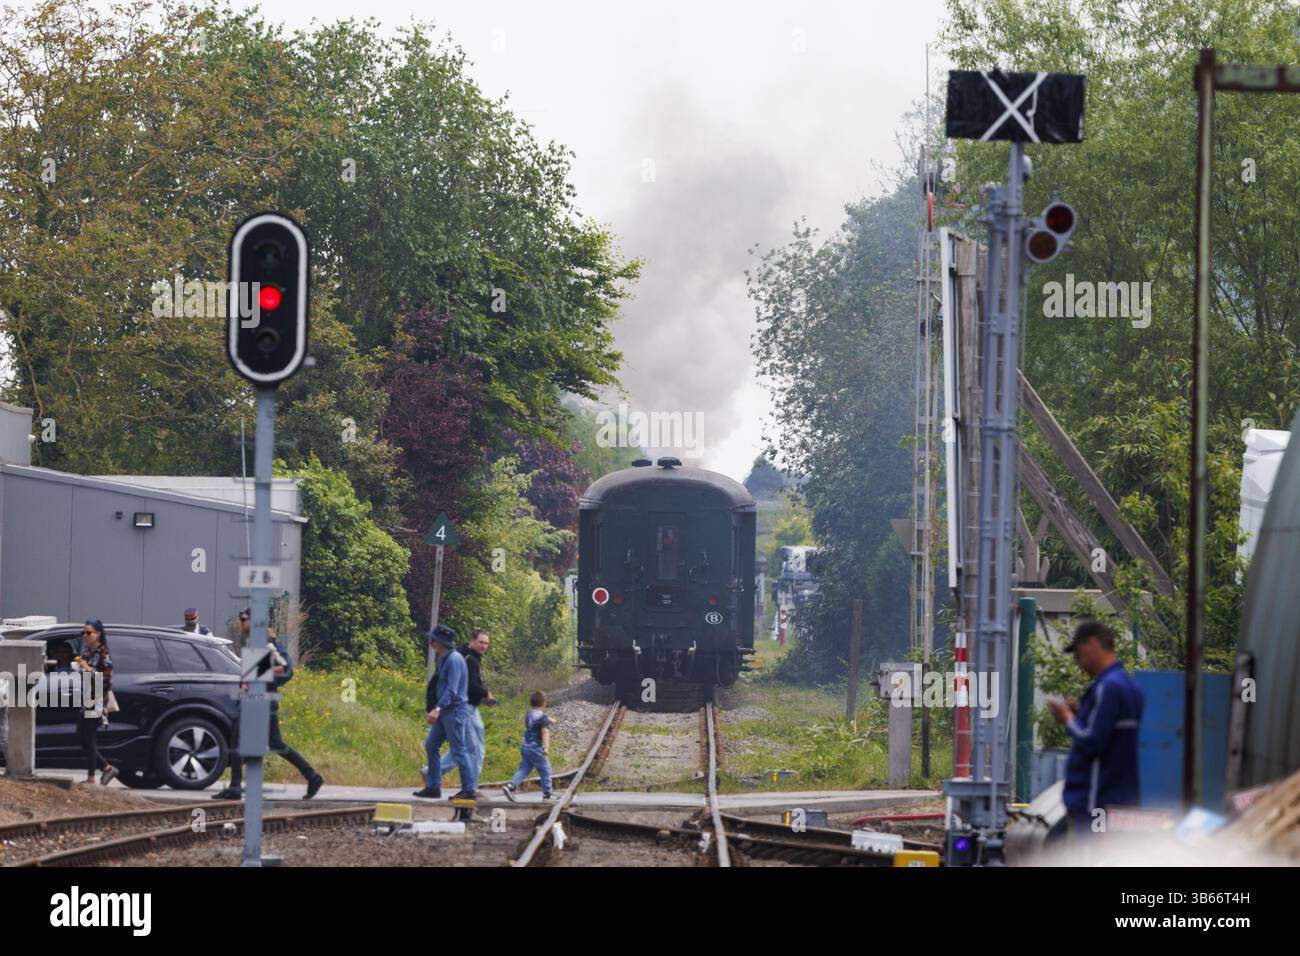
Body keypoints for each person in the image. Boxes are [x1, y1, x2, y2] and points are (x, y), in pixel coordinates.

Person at [214, 609, 323, 800]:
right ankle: (312, 776)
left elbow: (287, 669)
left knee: (238, 740)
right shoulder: (256, 642)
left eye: (245, 620)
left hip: (261, 700)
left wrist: (260, 671)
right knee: (274, 743)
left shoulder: (269, 643)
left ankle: (235, 787)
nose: (241, 624)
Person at [1049, 618, 1144, 836]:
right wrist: (1083, 714)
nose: (1077, 661)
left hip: (1097, 801)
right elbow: (1112, 735)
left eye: (1078, 652)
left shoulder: (1106, 687)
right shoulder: (1130, 686)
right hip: (1123, 798)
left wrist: (1067, 719)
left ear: (1091, 644)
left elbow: (1093, 741)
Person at [413, 624, 476, 800]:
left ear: (439, 642)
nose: (430, 642)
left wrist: (437, 708)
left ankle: (469, 790)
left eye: (433, 639)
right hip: (445, 710)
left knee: (458, 750)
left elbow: (452, 690)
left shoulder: (454, 660)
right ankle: (433, 786)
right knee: (431, 745)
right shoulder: (443, 657)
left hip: (454, 711)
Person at [438, 630, 495, 793]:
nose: (484, 646)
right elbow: (469, 686)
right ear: (472, 641)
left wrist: (483, 697)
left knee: (460, 746)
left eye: (487, 643)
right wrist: (485, 694)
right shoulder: (469, 659)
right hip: (465, 707)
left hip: (462, 706)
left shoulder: (464, 655)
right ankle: (471, 788)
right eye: (481, 642)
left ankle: (432, 773)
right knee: (475, 750)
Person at [75, 620, 118, 786]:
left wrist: (88, 670)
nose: (85, 636)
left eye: (88, 633)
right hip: (87, 697)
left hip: (97, 698)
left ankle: (92, 777)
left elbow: (106, 679)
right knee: (81, 736)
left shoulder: (104, 654)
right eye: (83, 633)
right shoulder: (87, 651)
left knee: (89, 737)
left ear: (98, 634)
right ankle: (106, 768)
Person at [501, 691, 555, 802]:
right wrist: (546, 747)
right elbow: (545, 732)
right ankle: (547, 794)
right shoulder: (543, 718)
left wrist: (549, 720)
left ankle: (511, 786)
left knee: (524, 768)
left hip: (525, 746)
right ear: (544, 703)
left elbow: (536, 720)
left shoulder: (529, 714)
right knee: (545, 769)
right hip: (536, 748)